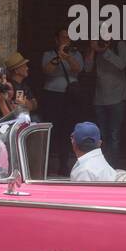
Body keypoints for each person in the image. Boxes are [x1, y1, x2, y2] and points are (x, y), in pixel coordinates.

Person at [41, 29, 84, 175]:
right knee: (52, 129)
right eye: (63, 37)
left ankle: (64, 163)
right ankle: (46, 163)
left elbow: (78, 69)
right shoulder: (49, 54)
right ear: (57, 39)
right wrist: (59, 57)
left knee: (68, 129)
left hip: (70, 97)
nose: (66, 40)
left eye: (69, 38)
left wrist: (68, 57)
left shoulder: (75, 53)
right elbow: (47, 70)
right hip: (53, 95)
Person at [87, 37, 126, 164]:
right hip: (100, 98)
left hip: (117, 97)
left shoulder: (119, 44)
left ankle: (113, 166)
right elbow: (87, 68)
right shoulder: (95, 45)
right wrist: (93, 50)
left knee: (114, 135)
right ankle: (102, 164)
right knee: (101, 135)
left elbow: (122, 64)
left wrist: (105, 50)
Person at [0, 52, 38, 116]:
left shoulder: (24, 85)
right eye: (24, 66)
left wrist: (28, 104)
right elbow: (13, 109)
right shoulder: (9, 86)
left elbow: (35, 104)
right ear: (16, 70)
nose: (27, 68)